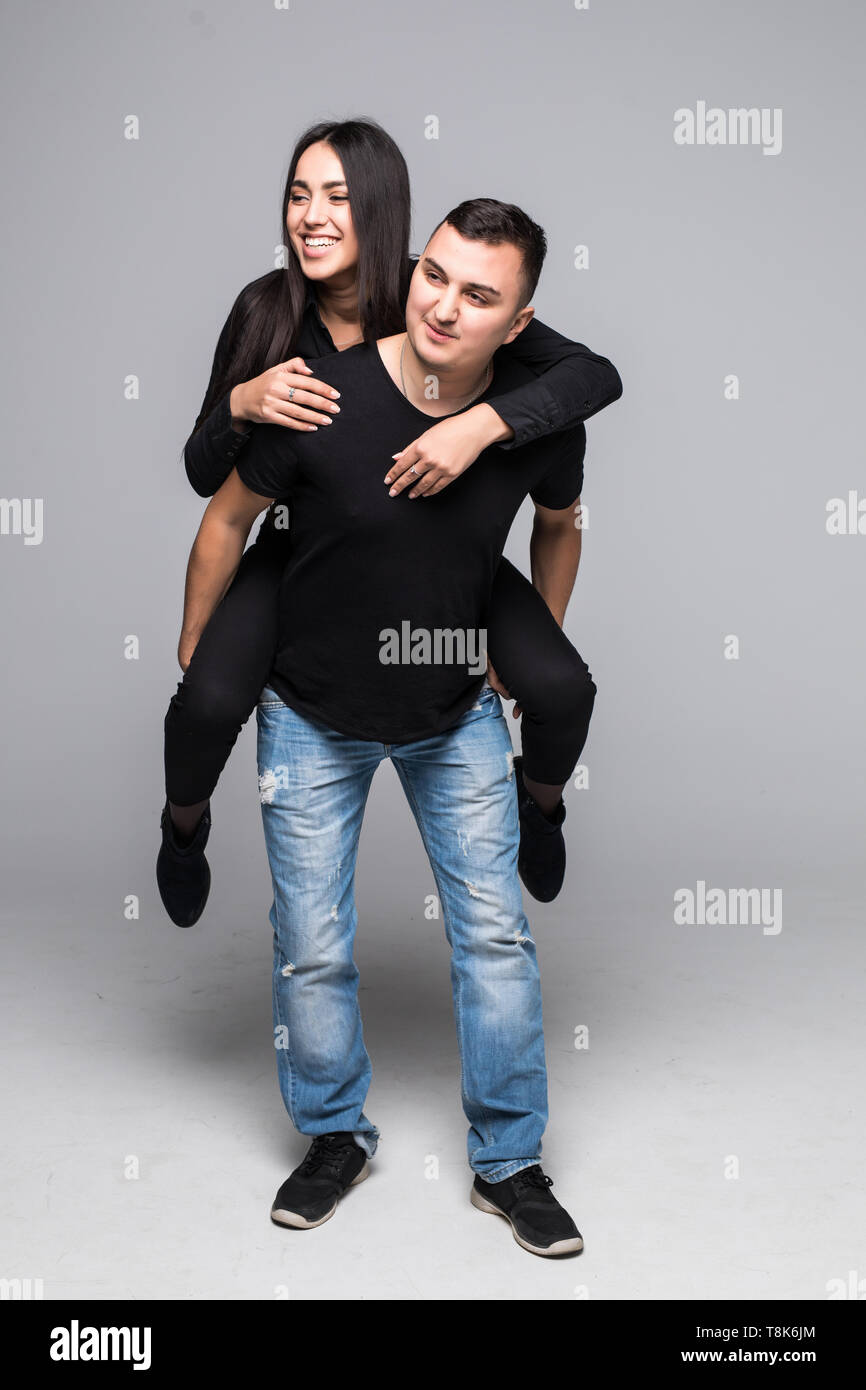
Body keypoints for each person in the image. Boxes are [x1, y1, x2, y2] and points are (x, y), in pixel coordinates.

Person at [177, 198, 606, 1257]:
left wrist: (530, 642)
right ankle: (332, 1137)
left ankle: (509, 1161)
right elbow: (225, 514)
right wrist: (194, 654)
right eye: (434, 277)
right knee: (311, 950)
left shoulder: (533, 419)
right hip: (311, 714)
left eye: (479, 295)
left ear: (518, 323)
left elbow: (561, 521)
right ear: (412, 269)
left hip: (450, 713)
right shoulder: (325, 396)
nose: (444, 307)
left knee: (494, 942)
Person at [158, 119, 622, 927]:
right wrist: (242, 402)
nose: (311, 215)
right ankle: (182, 829)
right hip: (306, 545)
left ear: (381, 210)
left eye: (337, 196)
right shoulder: (266, 311)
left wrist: (479, 426)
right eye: (298, 195)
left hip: (439, 547)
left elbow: (593, 374)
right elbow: (208, 479)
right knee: (204, 701)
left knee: (559, 686)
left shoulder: (434, 292)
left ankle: (539, 808)